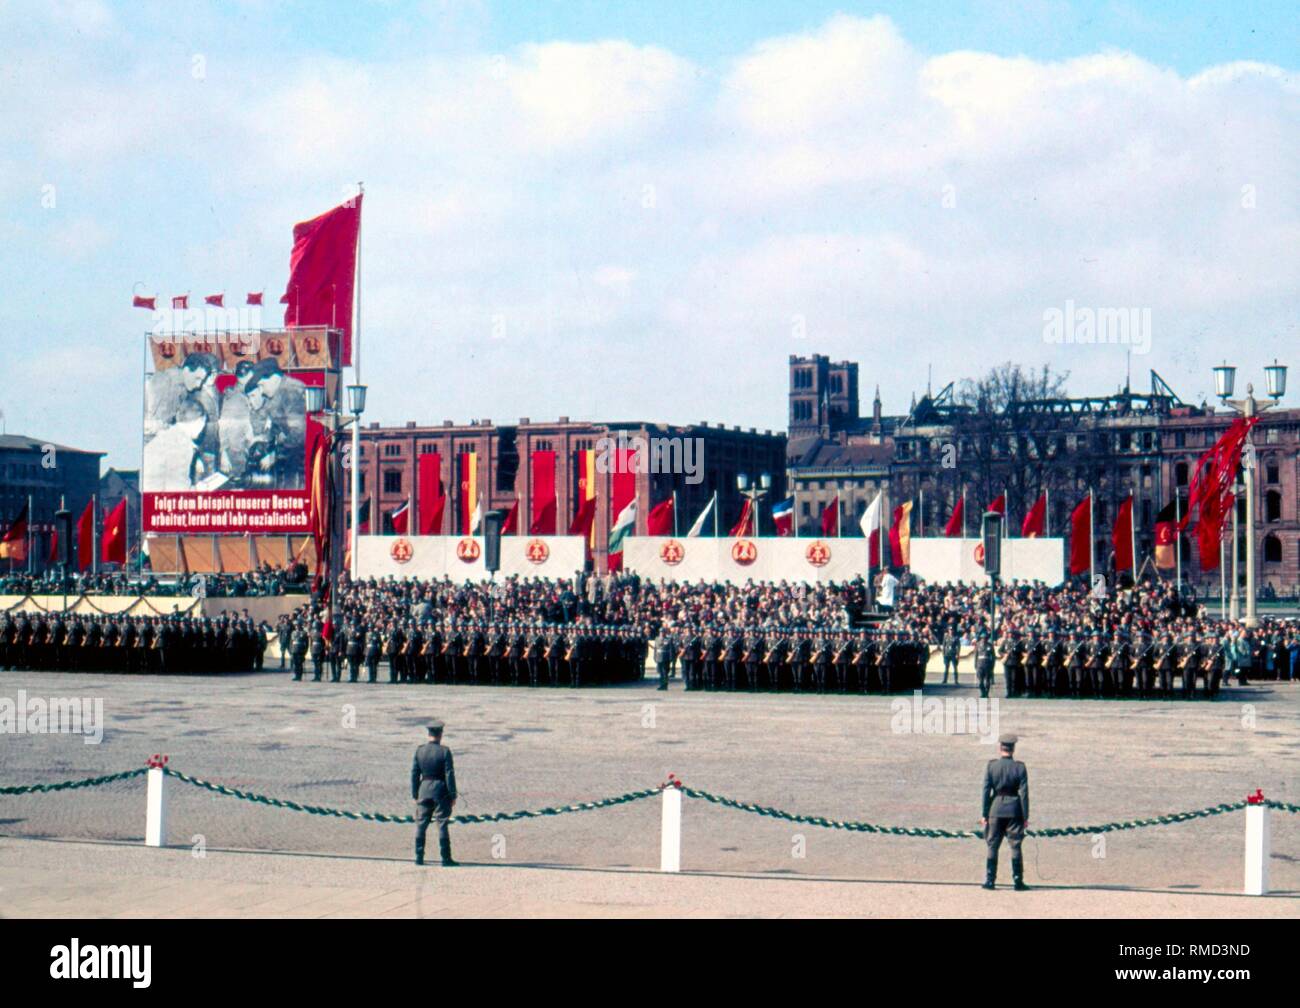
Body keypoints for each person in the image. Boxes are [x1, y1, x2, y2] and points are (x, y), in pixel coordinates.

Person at [981, 733, 1030, 891]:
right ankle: (1018, 881)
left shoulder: (991, 766)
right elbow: (1024, 794)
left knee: (992, 846)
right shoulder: (1020, 767)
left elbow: (986, 791)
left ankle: (990, 880)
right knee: (1015, 846)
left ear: (1000, 747)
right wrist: (1025, 816)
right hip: (1014, 809)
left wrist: (984, 814)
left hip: (995, 809)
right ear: (1013, 748)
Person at [411, 721, 458, 867]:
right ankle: (446, 858)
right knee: (442, 823)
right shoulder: (445, 751)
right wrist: (452, 794)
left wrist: (415, 793)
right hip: (440, 790)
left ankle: (419, 857)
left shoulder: (419, 751)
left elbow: (414, 774)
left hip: (423, 789)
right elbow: (449, 774)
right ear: (440, 734)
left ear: (429, 734)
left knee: (421, 824)